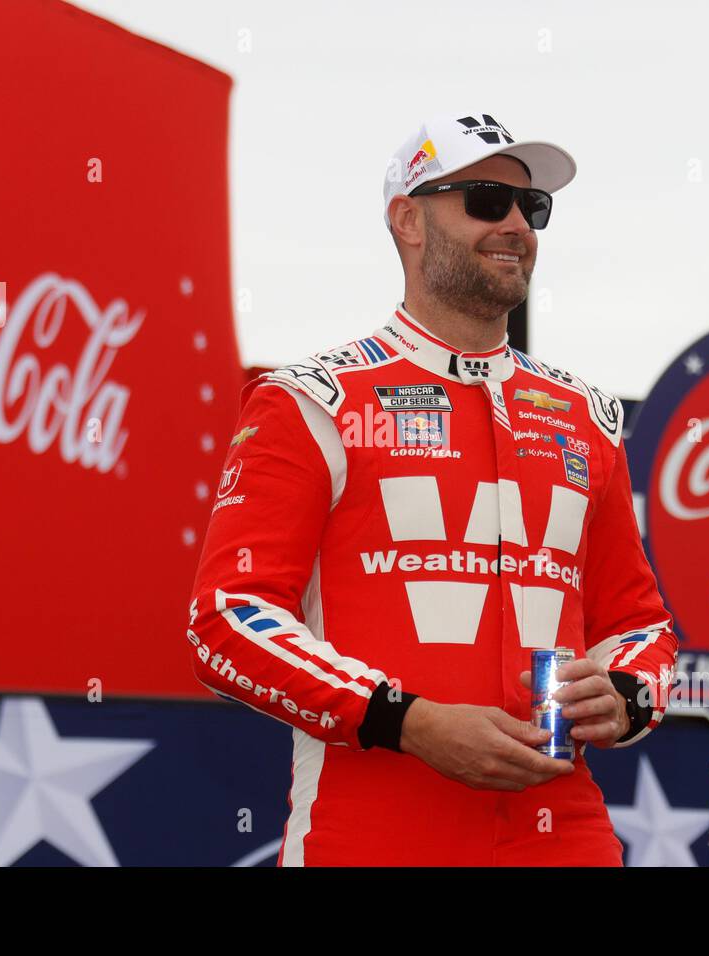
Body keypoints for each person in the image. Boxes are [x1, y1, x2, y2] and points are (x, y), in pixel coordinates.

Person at [186, 112, 678, 866]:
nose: (517, 223)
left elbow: (641, 625)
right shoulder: (312, 399)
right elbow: (226, 621)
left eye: (532, 207)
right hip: (373, 825)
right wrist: (406, 720)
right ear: (407, 220)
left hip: (561, 827)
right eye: (487, 199)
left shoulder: (587, 415)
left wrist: (626, 694)